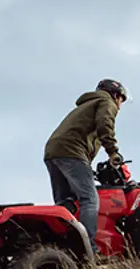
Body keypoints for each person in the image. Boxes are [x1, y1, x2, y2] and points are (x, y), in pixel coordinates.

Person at [43, 78, 129, 254]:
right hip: (72, 152)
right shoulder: (106, 101)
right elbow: (105, 124)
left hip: (53, 151)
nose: (119, 106)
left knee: (65, 203)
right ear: (115, 95)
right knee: (89, 199)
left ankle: (64, 244)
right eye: (120, 100)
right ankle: (87, 247)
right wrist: (113, 152)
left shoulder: (86, 105)